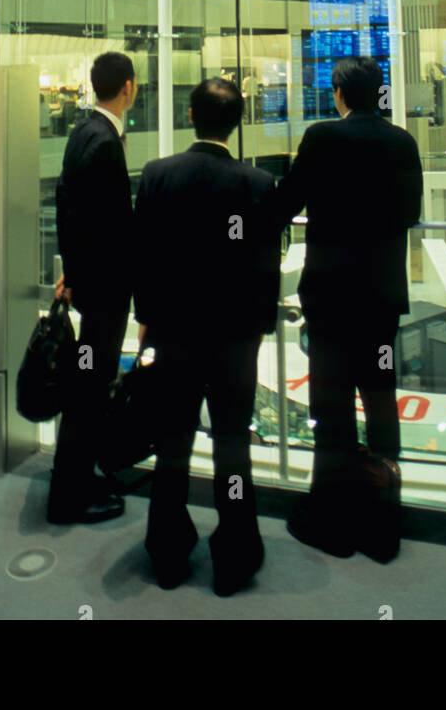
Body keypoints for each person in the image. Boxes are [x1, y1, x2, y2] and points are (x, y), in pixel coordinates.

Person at [132, 78, 280, 595]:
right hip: (235, 342)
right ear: (236, 123)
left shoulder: (157, 176)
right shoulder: (258, 185)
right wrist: (259, 329)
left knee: (172, 446)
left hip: (173, 335)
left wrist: (145, 316)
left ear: (191, 116)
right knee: (232, 449)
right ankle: (234, 558)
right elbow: (265, 269)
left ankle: (168, 554)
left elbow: (145, 255)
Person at [273, 56, 423, 563]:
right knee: (381, 401)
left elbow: (284, 206)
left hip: (332, 302)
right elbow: (411, 213)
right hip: (380, 302)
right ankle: (384, 528)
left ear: (338, 93)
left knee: (332, 408)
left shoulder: (322, 139)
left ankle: (333, 523)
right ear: (377, 93)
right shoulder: (402, 141)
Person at [47, 51, 137, 524]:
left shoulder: (83, 132)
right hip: (105, 292)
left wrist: (72, 272)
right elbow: (113, 227)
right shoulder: (105, 142)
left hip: (89, 284)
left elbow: (67, 207)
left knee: (89, 383)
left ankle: (77, 478)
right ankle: (70, 494)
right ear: (127, 88)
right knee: (90, 386)